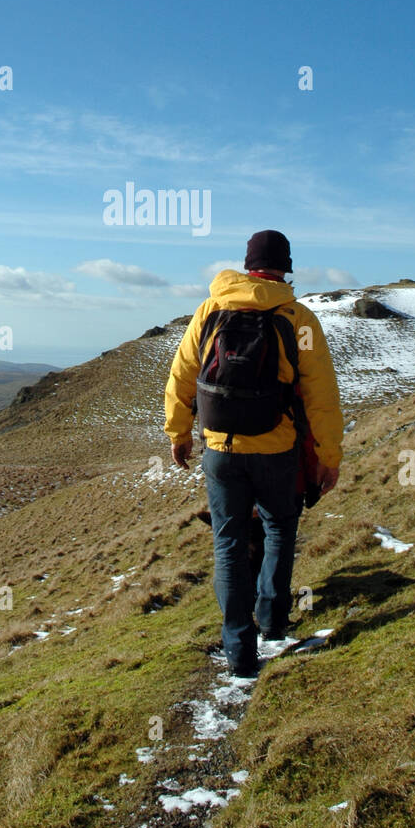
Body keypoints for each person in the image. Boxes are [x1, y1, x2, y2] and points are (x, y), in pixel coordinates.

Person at [164, 230, 343, 677]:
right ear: (285, 267)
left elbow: (182, 374)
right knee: (280, 527)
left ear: (247, 265)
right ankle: (274, 623)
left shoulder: (210, 309)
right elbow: (321, 396)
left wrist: (178, 432)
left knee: (228, 543)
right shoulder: (297, 318)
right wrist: (328, 456)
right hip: (276, 447)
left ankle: (238, 652)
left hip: (220, 448)